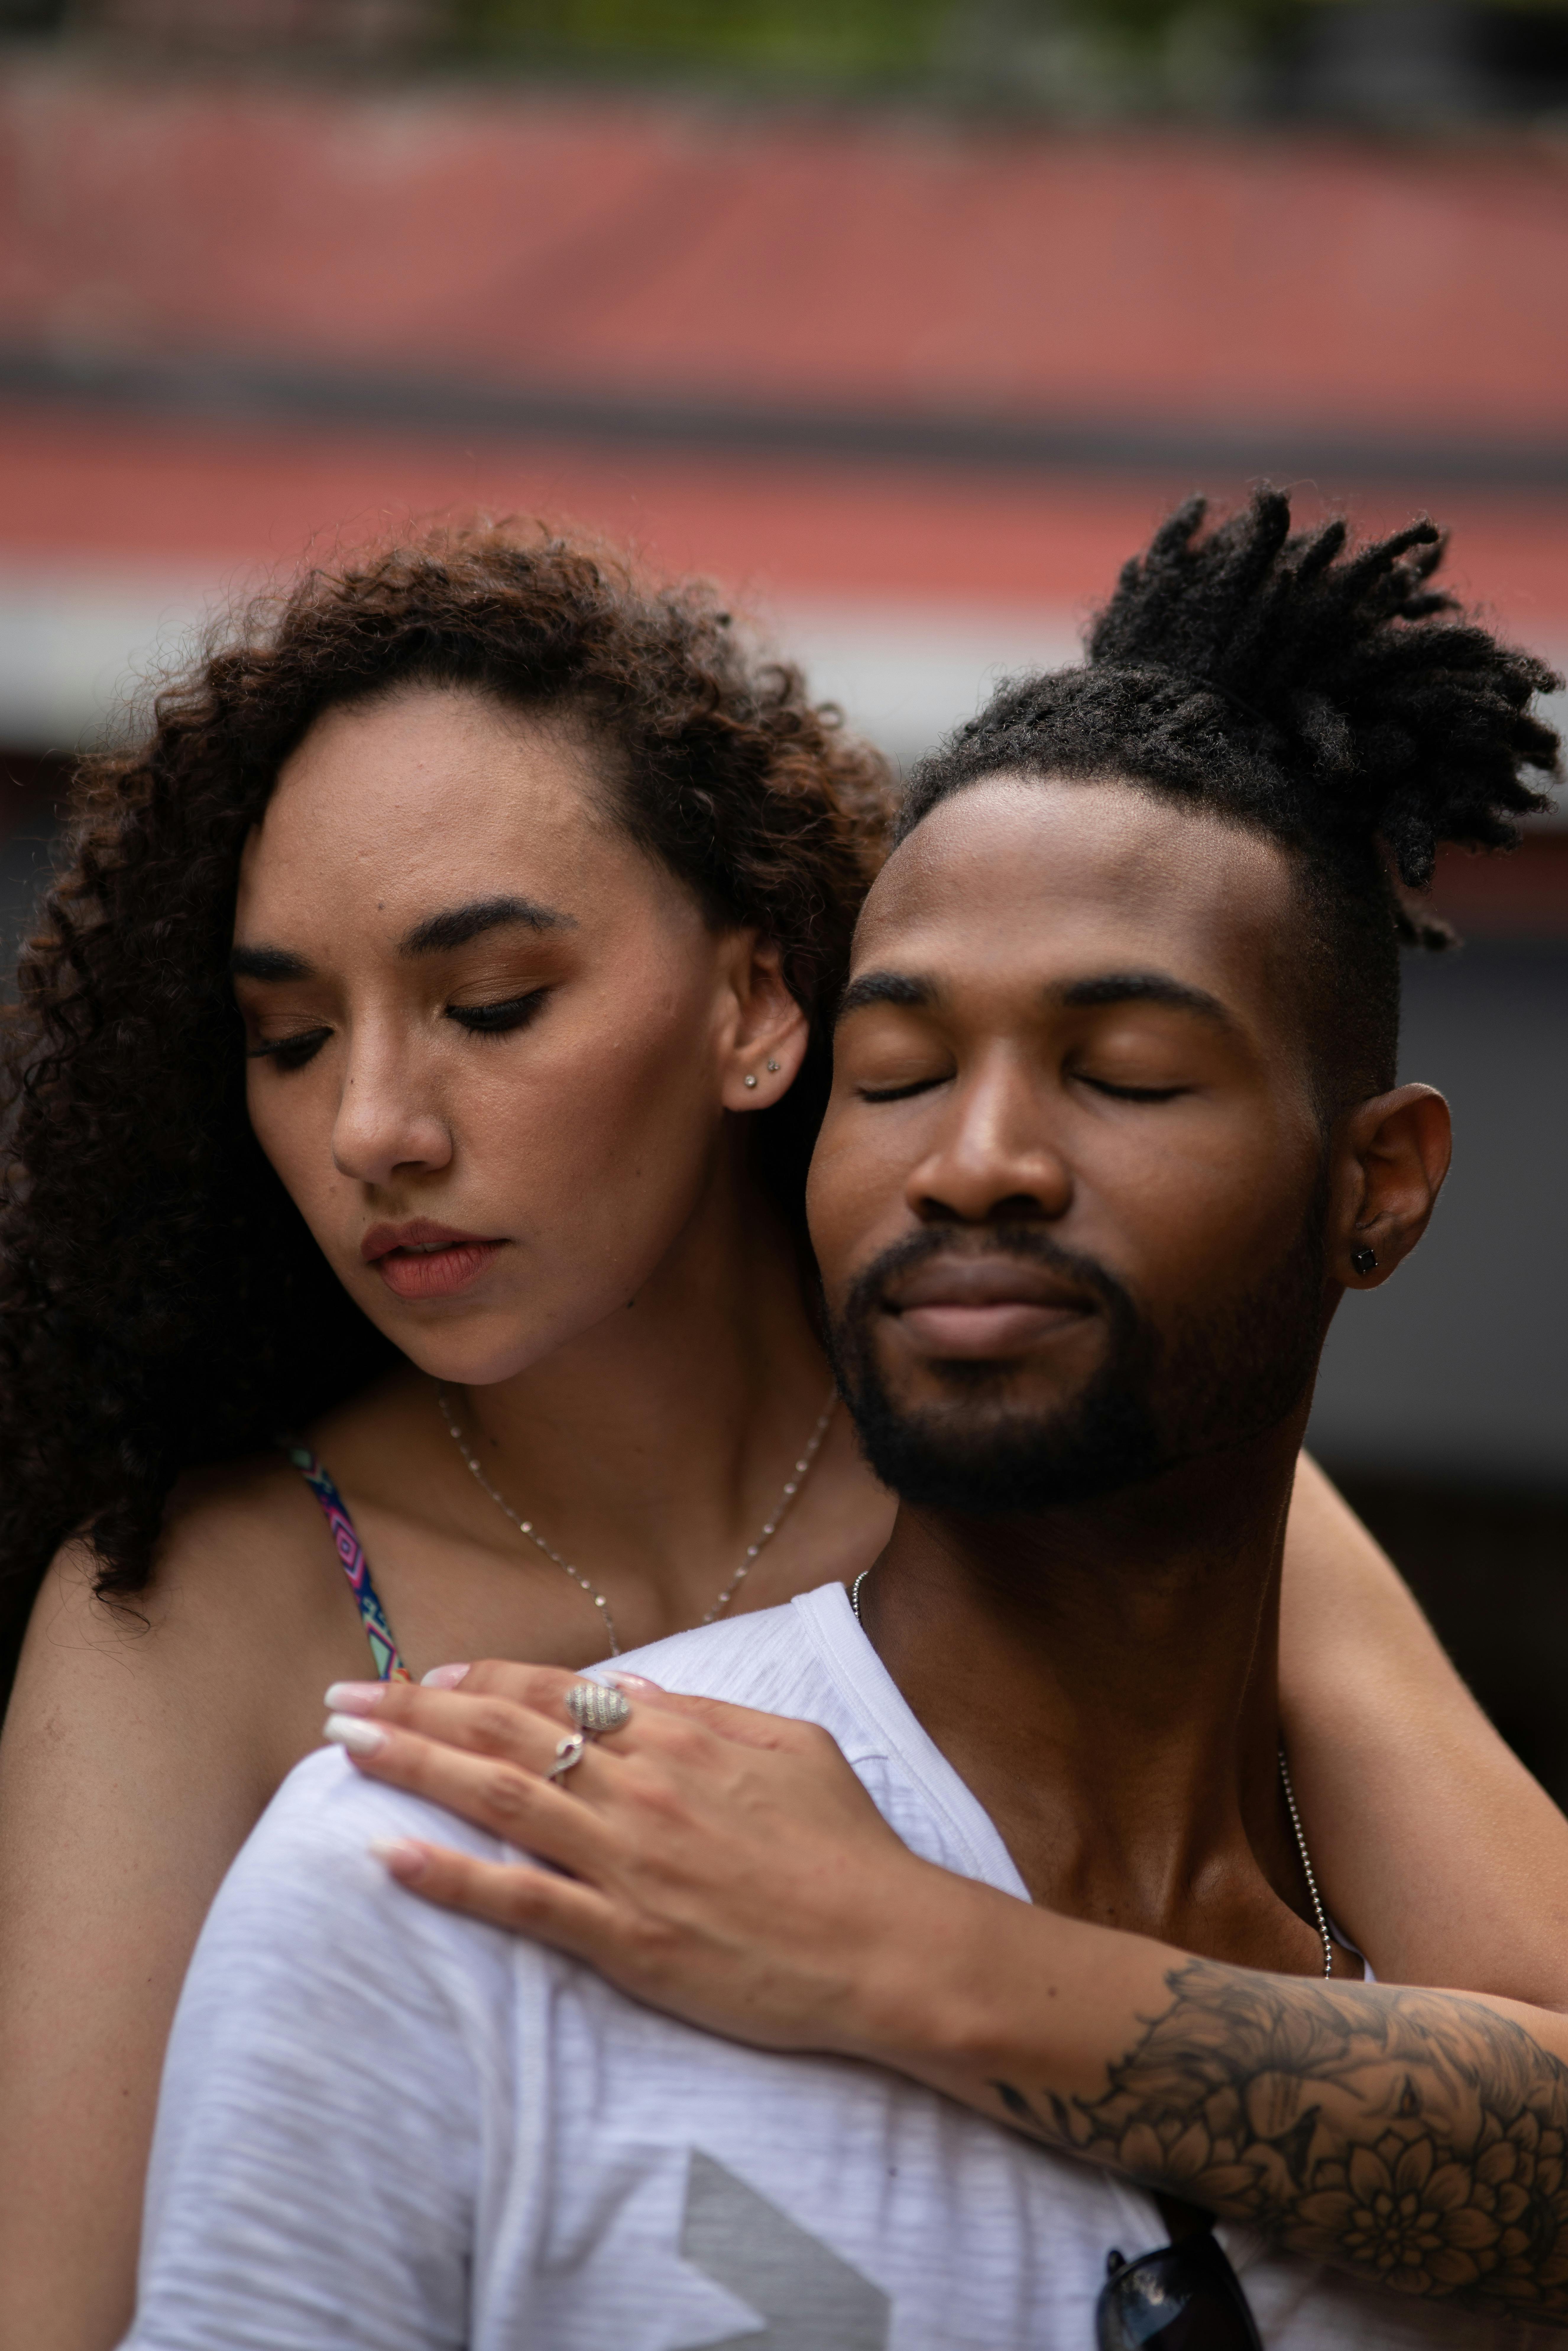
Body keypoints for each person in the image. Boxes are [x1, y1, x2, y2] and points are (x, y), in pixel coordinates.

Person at [122, 494, 1568, 2347]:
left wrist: (908, 1954)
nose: (973, 1160)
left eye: (1120, 1071)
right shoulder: (428, 1865)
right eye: (897, 1075)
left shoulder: (1342, 1827)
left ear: (1379, 1188)